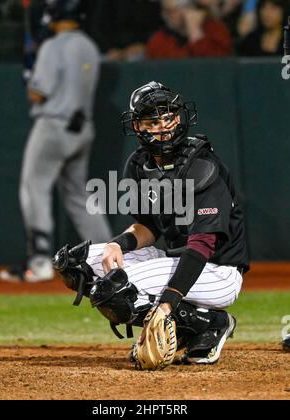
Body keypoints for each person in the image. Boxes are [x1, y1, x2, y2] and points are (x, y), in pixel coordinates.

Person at [53, 81, 250, 365]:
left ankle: (209, 323)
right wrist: (116, 244)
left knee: (115, 291)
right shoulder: (139, 164)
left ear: (180, 118)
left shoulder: (203, 166)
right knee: (76, 265)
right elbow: (149, 227)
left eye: (168, 117)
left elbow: (202, 246)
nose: (162, 126)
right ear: (138, 127)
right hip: (176, 259)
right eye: (152, 120)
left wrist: (168, 301)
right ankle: (190, 326)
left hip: (217, 270)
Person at [0, 0, 112, 283]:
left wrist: (32, 69)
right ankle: (110, 259)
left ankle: (38, 262)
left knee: (34, 188)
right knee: (78, 196)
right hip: (83, 128)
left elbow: (38, 92)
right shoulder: (88, 45)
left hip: (54, 125)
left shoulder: (53, 46)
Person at [146, 0, 232, 59]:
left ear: (187, 9)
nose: (164, 16)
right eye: (163, 11)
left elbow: (218, 68)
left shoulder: (215, 29)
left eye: (170, 11)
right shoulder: (158, 40)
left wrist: (195, 32)